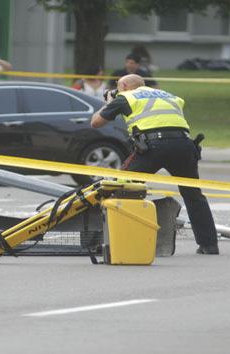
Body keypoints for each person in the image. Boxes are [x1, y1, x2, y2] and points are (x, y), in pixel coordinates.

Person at [91, 74, 218, 255]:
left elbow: (96, 122)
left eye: (118, 88)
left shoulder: (126, 97)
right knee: (193, 194)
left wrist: (109, 102)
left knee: (119, 188)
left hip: (153, 147)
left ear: (125, 86)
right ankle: (209, 245)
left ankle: (112, 242)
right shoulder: (167, 95)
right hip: (184, 145)